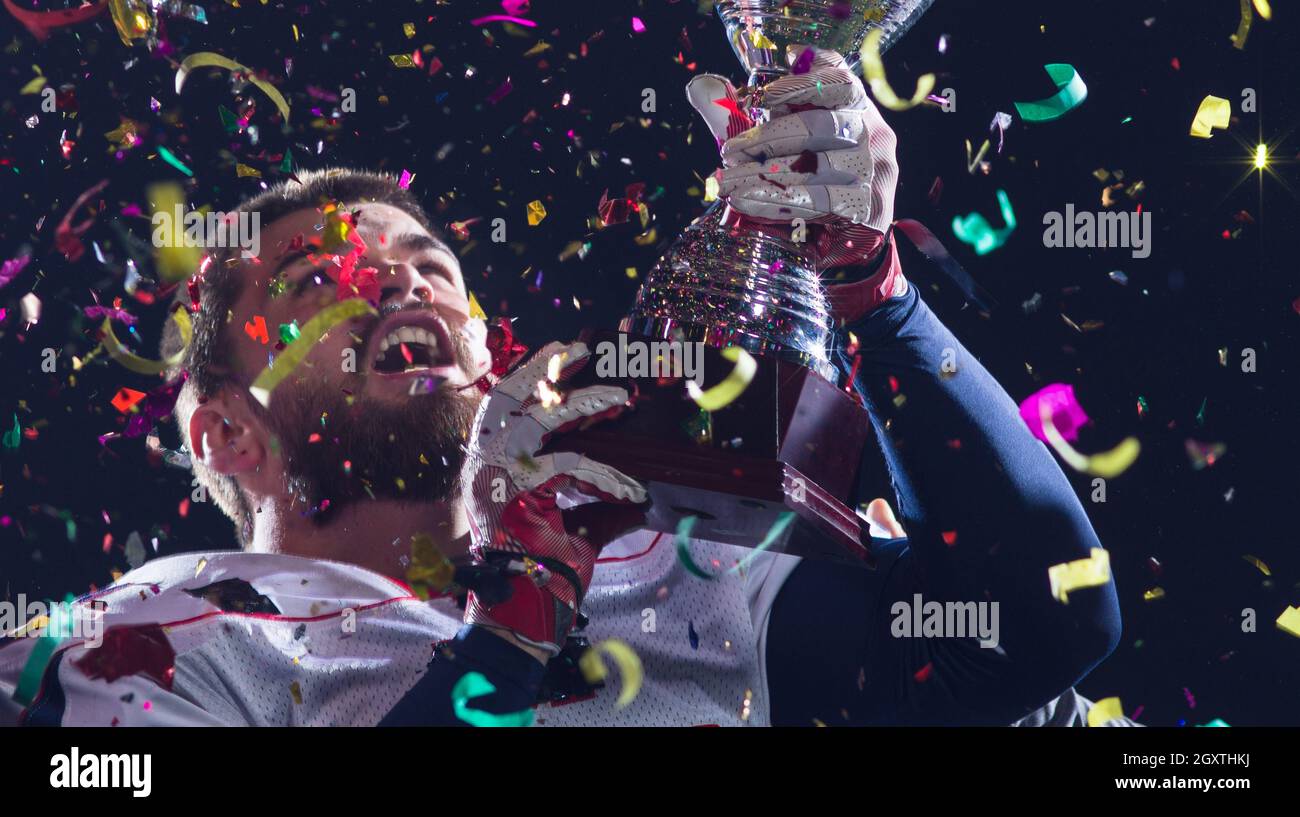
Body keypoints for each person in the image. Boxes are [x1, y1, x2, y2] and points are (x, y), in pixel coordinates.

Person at [0, 49, 1126, 727]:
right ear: (224, 431)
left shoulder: (671, 570)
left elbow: (1040, 627)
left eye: (430, 267)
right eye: (314, 279)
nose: (395, 284)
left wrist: (867, 285)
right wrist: (519, 603)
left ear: (493, 361)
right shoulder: (138, 637)